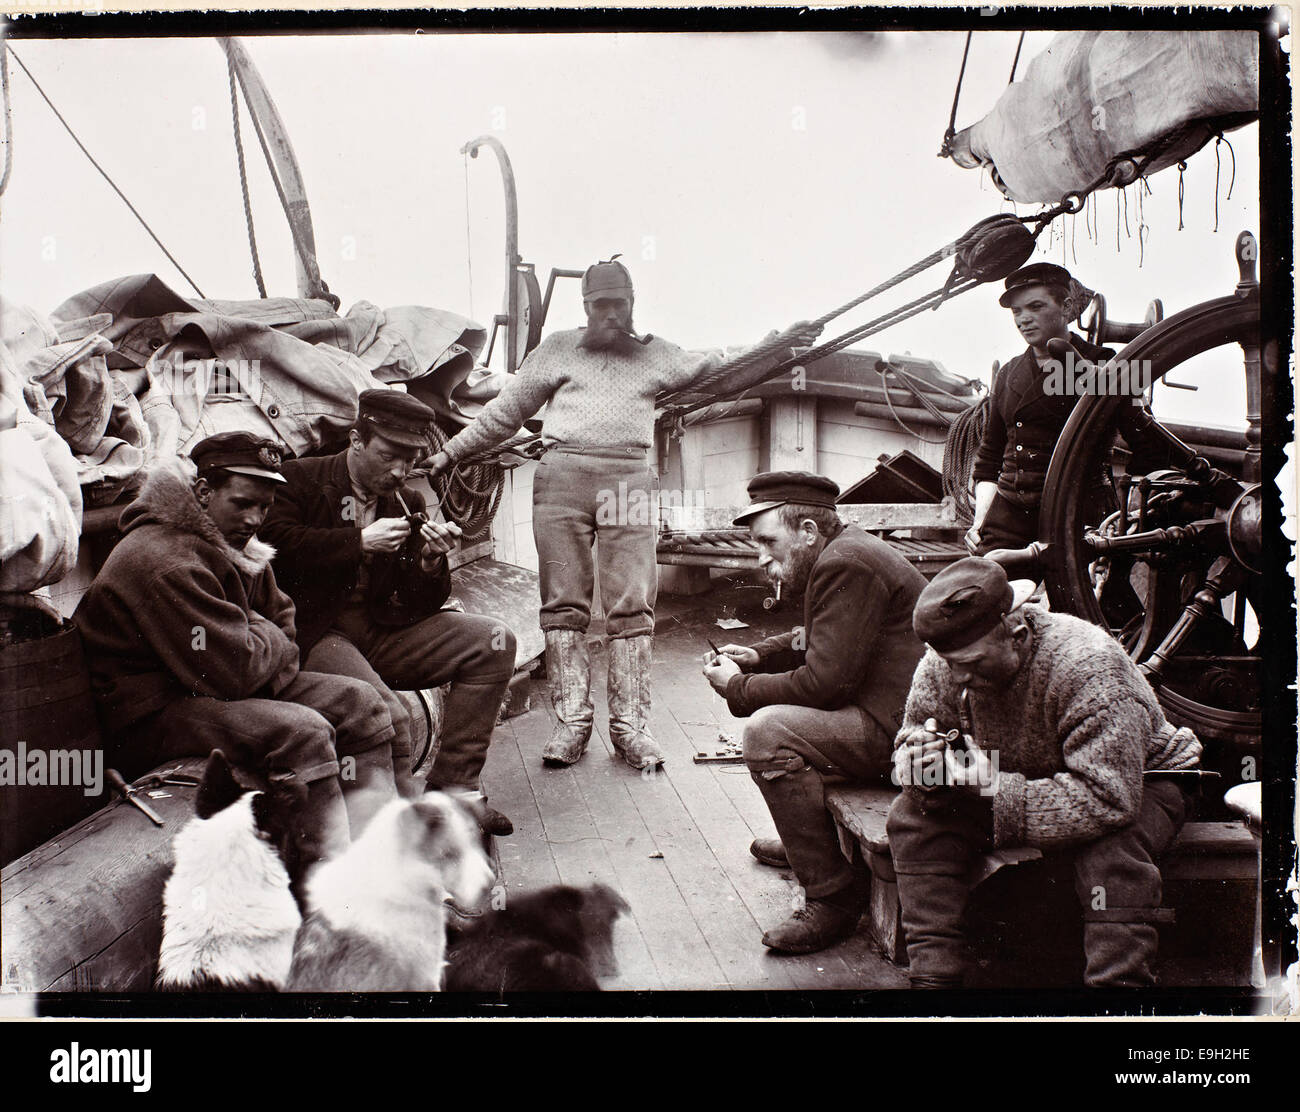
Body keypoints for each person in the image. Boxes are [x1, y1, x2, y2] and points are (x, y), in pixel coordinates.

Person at [427, 257, 822, 771]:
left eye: (619, 304)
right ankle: (572, 724)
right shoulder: (557, 350)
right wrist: (448, 453)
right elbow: (505, 412)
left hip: (629, 480)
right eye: (600, 305)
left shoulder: (657, 355)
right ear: (585, 307)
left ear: (632, 304)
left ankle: (631, 729)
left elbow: (724, 368)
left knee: (631, 602)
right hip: (561, 480)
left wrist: (782, 342)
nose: (610, 314)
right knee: (564, 602)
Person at [74, 432, 398, 873]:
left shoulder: (234, 544)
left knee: (362, 703)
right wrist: (264, 639)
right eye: (242, 502)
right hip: (151, 715)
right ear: (204, 492)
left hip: (208, 688)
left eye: (263, 507)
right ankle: (331, 892)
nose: (254, 519)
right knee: (302, 731)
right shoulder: (165, 559)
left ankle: (386, 862)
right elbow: (237, 671)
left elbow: (286, 621)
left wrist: (259, 638)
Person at [887, 557, 1203, 988]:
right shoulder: (948, 656)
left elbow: (1109, 799)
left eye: (973, 664)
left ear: (1017, 636)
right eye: (950, 663)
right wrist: (923, 767)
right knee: (912, 817)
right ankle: (933, 978)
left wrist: (995, 788)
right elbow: (909, 741)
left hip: (1140, 778)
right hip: (1013, 776)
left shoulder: (1090, 665)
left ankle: (1117, 989)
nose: (958, 677)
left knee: (1110, 851)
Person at [260, 390, 517, 835]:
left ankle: (453, 792)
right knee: (388, 711)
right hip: (319, 634)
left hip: (379, 631)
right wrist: (356, 543)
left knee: (494, 644)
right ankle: (407, 831)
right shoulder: (297, 480)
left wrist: (430, 563)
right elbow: (273, 548)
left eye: (410, 460)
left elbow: (417, 602)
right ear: (356, 439)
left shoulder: (407, 503)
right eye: (388, 456)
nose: (400, 472)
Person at [701, 471, 927, 953]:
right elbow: (826, 641)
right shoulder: (846, 550)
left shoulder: (845, 565)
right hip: (891, 715)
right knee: (781, 719)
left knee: (769, 732)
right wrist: (761, 655)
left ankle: (832, 897)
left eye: (768, 542)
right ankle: (808, 841)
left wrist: (739, 689)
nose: (762, 559)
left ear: (807, 531)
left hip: (902, 737)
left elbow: (824, 684)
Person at [967, 262, 1115, 554]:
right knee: (978, 585)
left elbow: (1141, 439)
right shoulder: (1009, 373)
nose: (1024, 319)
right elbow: (989, 457)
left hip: (1077, 515)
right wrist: (979, 524)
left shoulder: (1103, 364)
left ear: (1067, 306)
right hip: (1009, 515)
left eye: (1035, 307)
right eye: (1017, 312)